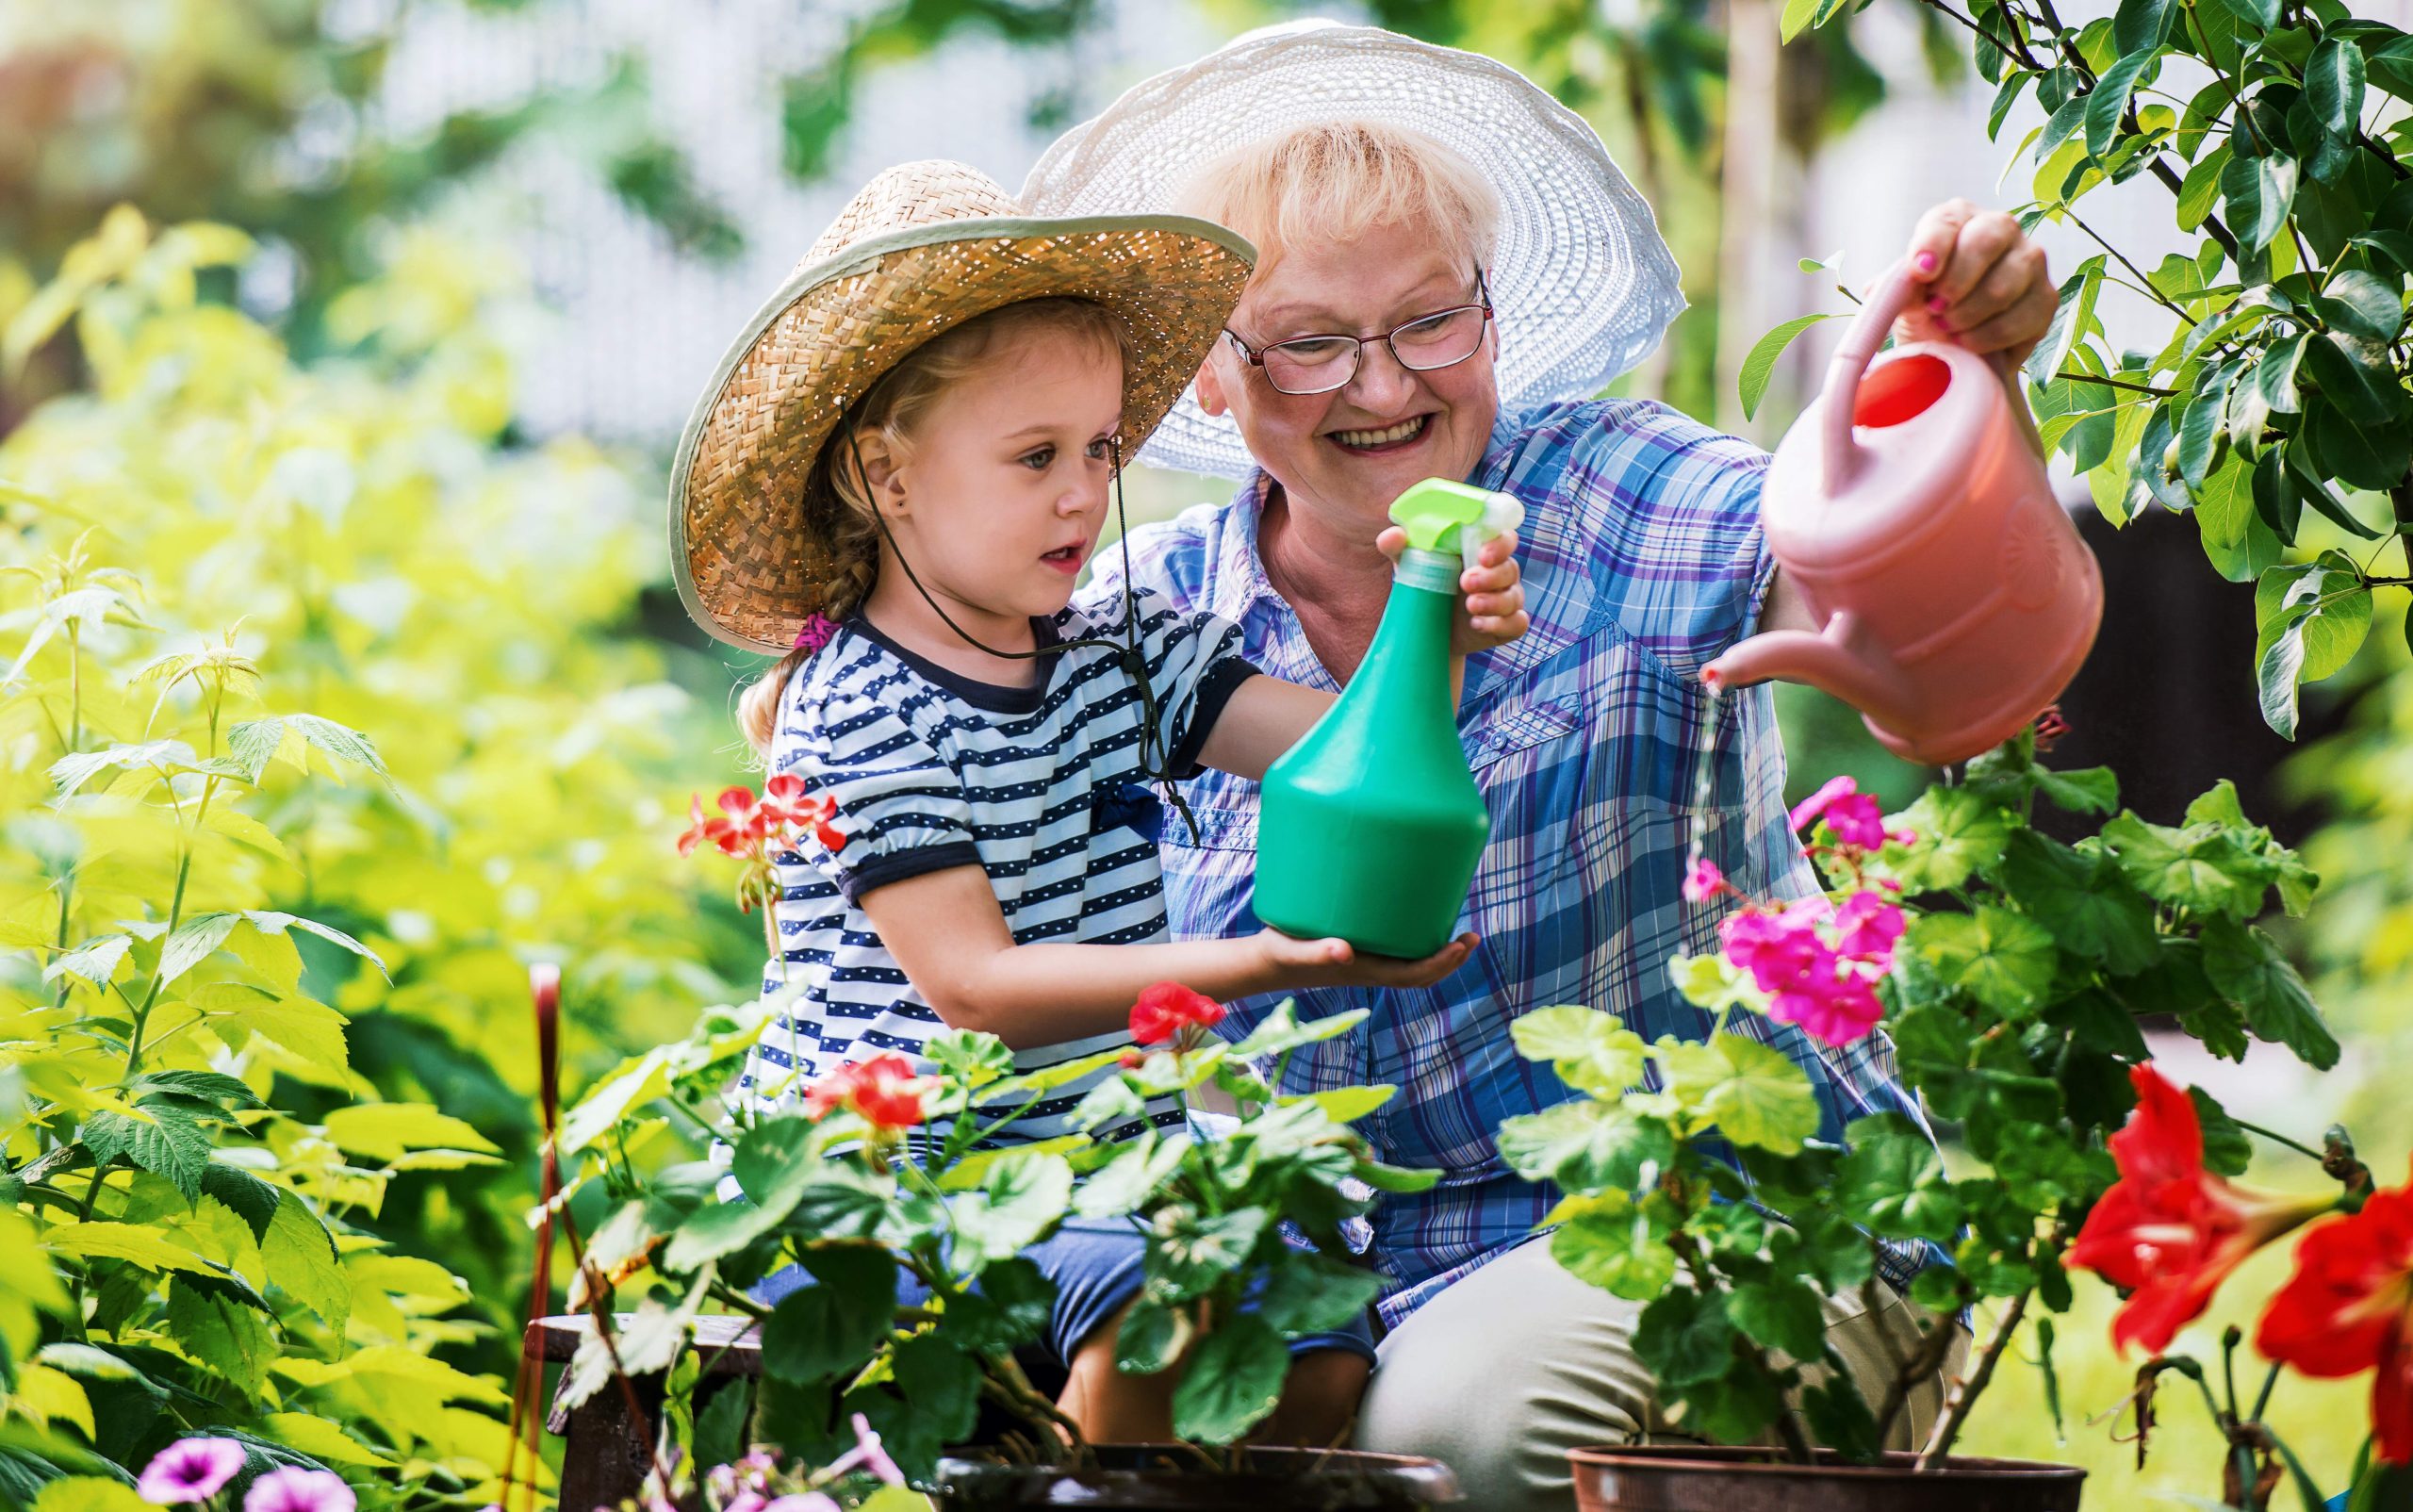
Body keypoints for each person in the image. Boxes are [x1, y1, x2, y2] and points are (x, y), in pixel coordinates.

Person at [1021, 23, 2060, 1506]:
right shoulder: (1143, 625)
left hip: (1710, 1209)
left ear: (1492, 319)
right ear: (1207, 378)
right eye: (1309, 341)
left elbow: (1886, 600)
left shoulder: (1622, 496)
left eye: (1430, 319)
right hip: (1331, 1265)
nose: (1382, 383)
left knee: (1466, 1426)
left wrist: (1970, 380)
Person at [665, 160, 1530, 1447]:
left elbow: (1345, 756)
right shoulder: (860, 706)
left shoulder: (1118, 653)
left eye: (1100, 449)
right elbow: (976, 987)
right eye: (1034, 457)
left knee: (1317, 1347)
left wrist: (1431, 618)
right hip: (880, 1190)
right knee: (1163, 1309)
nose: (1082, 493)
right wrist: (1259, 963)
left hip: (1088, 1182)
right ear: (887, 476)